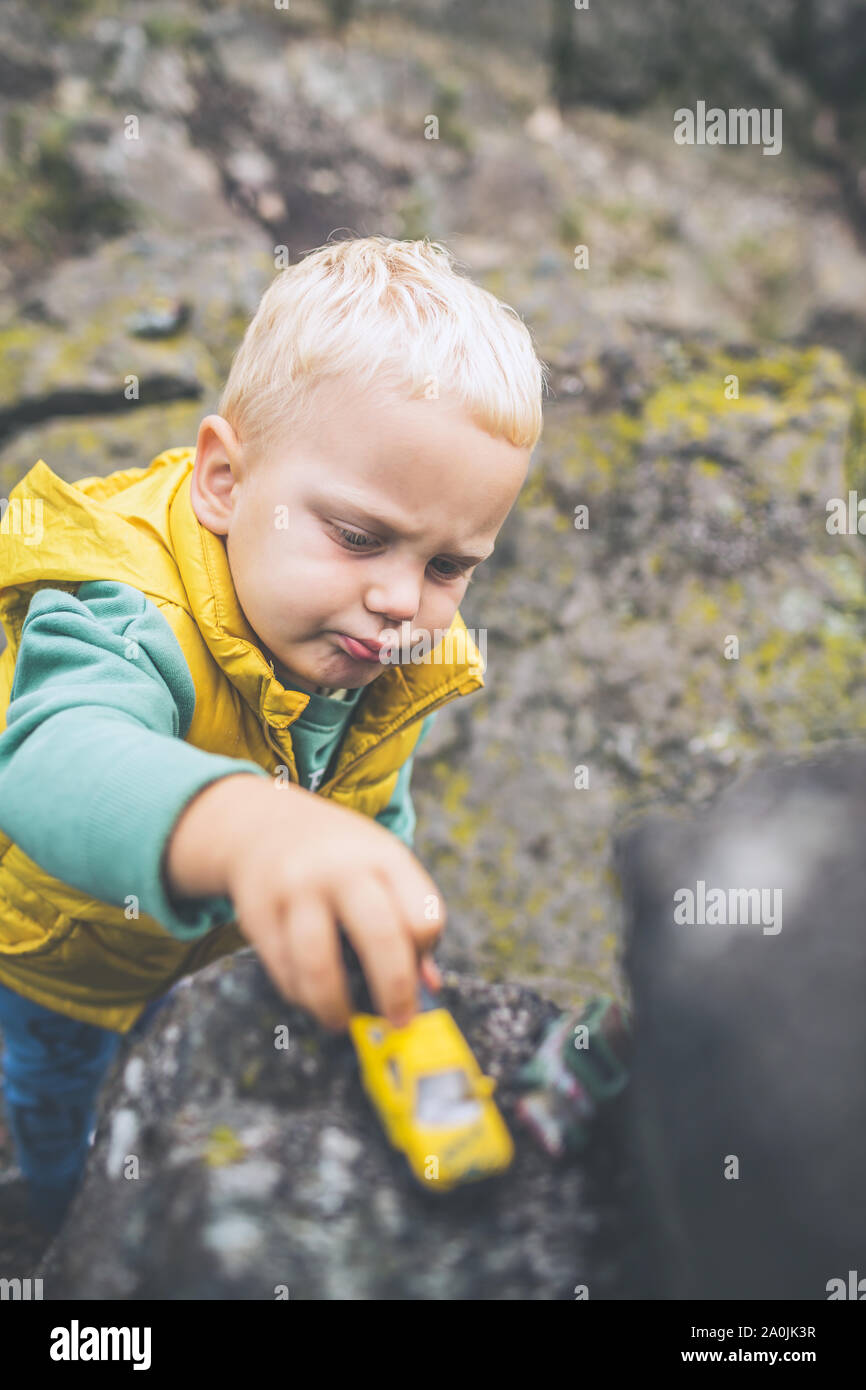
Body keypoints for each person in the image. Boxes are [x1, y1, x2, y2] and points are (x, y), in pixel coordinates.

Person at [0, 235, 546, 1232]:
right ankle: (54, 1206)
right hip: (59, 954)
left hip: (209, 951)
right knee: (60, 1099)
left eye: (449, 565)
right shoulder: (125, 608)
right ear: (223, 480)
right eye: (358, 536)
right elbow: (52, 757)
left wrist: (372, 884)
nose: (397, 601)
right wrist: (255, 828)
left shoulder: (387, 646)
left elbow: (373, 794)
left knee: (188, 1076)